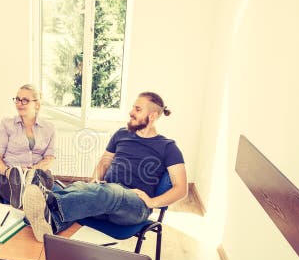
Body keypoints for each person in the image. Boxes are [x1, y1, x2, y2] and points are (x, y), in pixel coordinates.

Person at [22, 91, 188, 242]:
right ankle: (51, 223)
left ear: (152, 116)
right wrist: (95, 179)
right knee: (80, 187)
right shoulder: (121, 134)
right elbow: (104, 162)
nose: (131, 112)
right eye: (133, 108)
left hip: (135, 206)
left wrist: (152, 202)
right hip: (105, 197)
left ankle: (47, 201)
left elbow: (181, 188)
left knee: (107, 192)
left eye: (137, 109)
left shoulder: (168, 147)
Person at [0, 84, 56, 208]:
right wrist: (8, 172)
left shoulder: (49, 128)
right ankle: (23, 196)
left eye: (25, 100)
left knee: (38, 188)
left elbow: (49, 158)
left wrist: (31, 171)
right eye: (17, 99)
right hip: (10, 175)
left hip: (37, 174)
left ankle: (28, 197)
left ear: (36, 104)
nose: (19, 103)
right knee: (29, 200)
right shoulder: (6, 125)